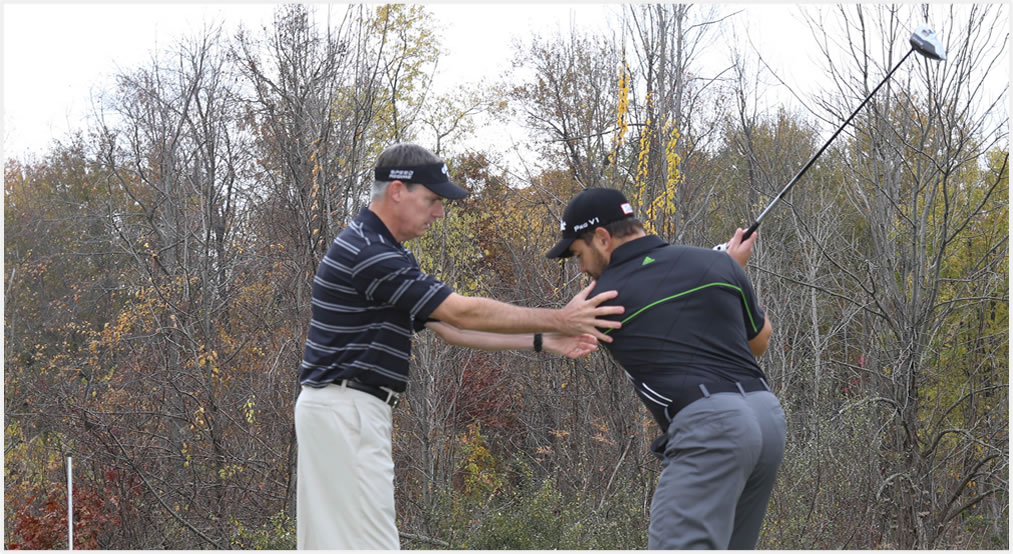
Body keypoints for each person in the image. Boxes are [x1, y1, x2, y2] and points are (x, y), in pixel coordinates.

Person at [295, 143, 624, 550]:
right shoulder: (370, 252)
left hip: (342, 410)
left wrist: (543, 340)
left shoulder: (384, 251)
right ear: (397, 190)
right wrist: (561, 318)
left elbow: (450, 329)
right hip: (348, 410)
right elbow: (460, 312)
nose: (439, 212)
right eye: (432, 200)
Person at [545, 187, 786, 550]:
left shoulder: (600, 299)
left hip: (711, 426)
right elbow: (759, 342)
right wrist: (728, 272)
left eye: (579, 254)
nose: (581, 268)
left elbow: (550, 330)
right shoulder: (717, 265)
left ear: (603, 238)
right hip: (767, 419)